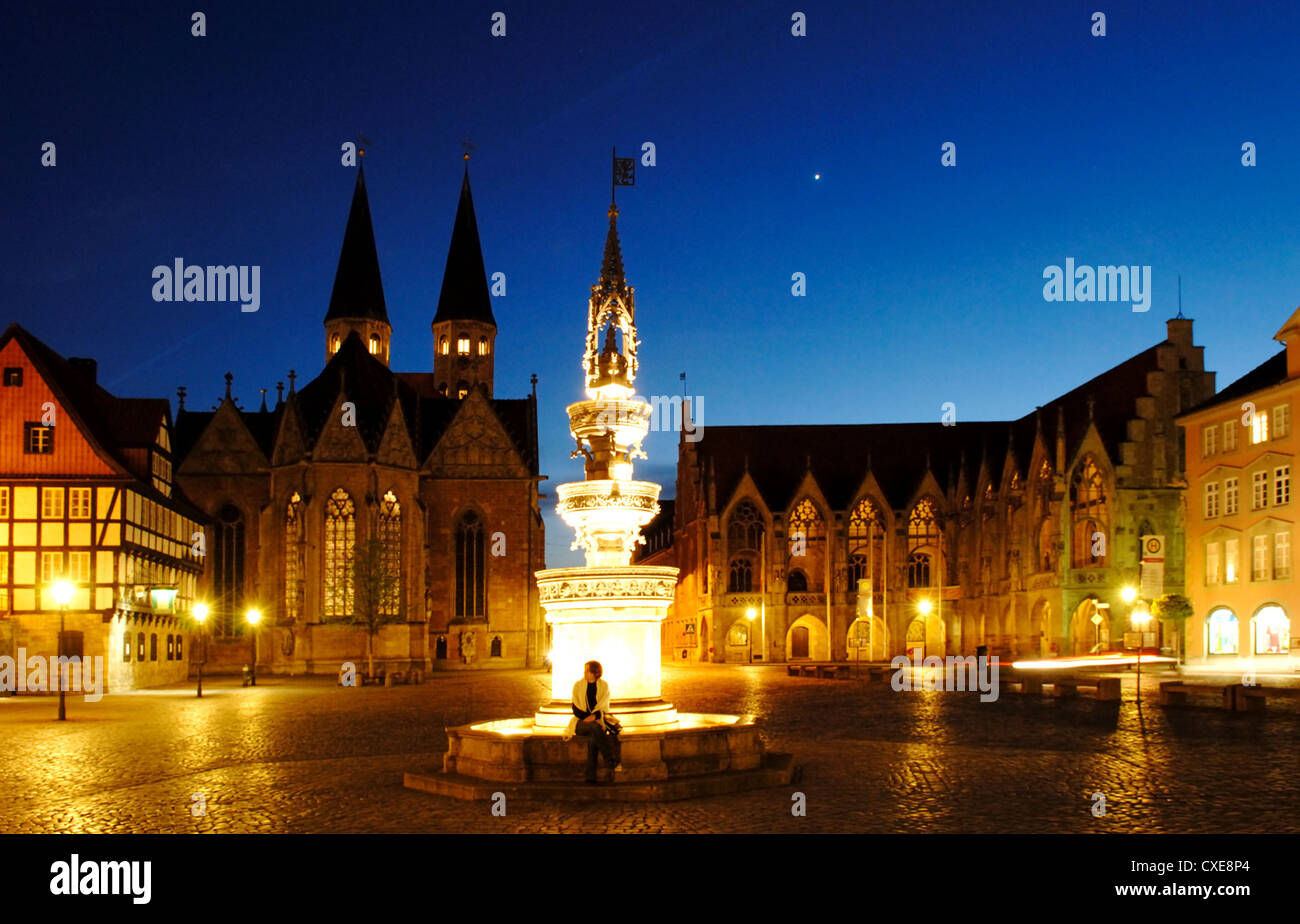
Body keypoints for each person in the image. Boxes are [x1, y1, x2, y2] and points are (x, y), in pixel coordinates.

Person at [563, 660, 621, 784]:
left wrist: (595, 717)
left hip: (596, 721)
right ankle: (611, 760)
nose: (584, 673)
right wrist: (588, 718)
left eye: (587, 670)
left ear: (594, 673)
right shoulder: (578, 685)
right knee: (595, 728)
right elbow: (575, 708)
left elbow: (604, 706)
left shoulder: (603, 686)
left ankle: (590, 777)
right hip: (580, 722)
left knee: (594, 736)